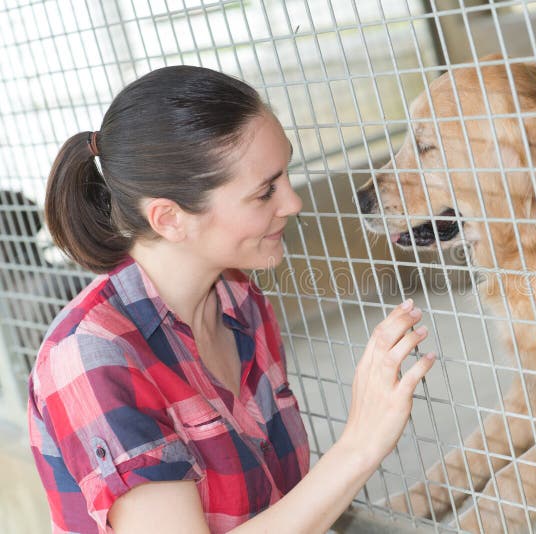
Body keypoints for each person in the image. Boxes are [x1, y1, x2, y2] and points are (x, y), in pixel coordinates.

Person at [28, 65, 436, 534]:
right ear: (169, 218)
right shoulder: (89, 358)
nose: (293, 202)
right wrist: (360, 445)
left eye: (284, 176)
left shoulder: (238, 296)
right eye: (265, 192)